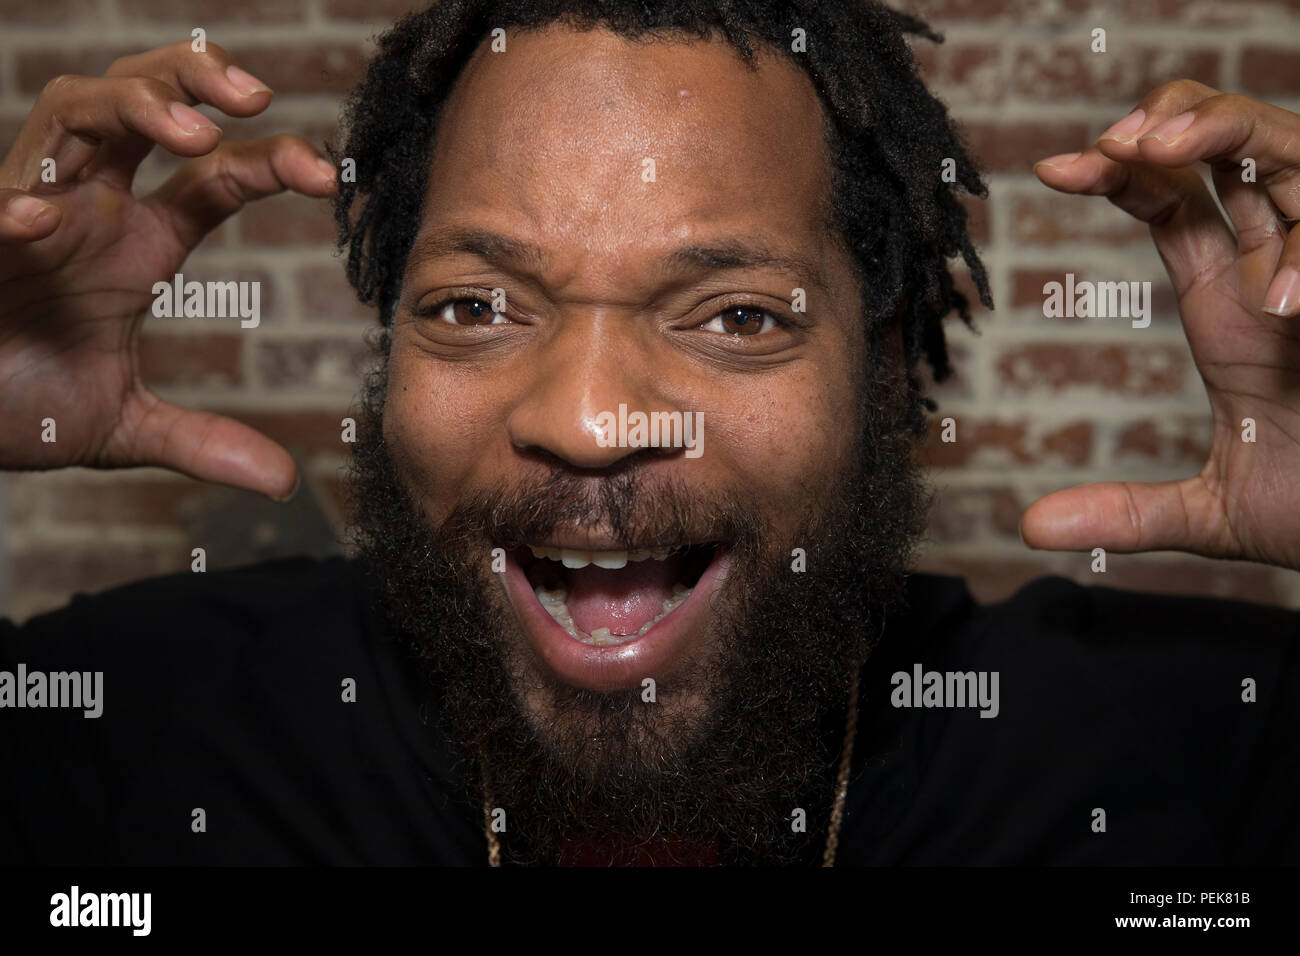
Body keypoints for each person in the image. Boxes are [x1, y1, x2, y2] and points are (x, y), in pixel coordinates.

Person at [1, 0, 1297, 867]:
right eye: (475, 306)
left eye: (735, 317)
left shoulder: (1178, 760)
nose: (586, 420)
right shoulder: (134, 739)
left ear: (889, 366)